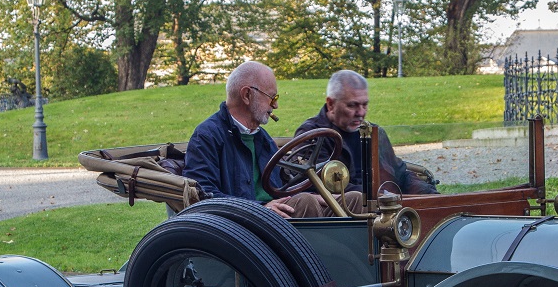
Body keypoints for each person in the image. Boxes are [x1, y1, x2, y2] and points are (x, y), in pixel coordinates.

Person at [183, 61, 363, 219]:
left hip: (274, 218)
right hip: (242, 226)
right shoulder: (207, 136)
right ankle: (317, 259)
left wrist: (318, 195)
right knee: (305, 203)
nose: (275, 105)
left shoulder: (262, 138)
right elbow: (203, 196)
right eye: (272, 97)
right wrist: (260, 208)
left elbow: (283, 186)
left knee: (354, 199)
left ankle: (357, 258)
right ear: (247, 95)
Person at [295, 70, 438, 196]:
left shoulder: (374, 133)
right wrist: (383, 195)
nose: (361, 113)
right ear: (331, 104)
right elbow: (321, 186)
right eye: (352, 105)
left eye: (365, 105)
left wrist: (431, 194)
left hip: (381, 207)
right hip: (344, 215)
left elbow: (400, 174)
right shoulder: (312, 135)